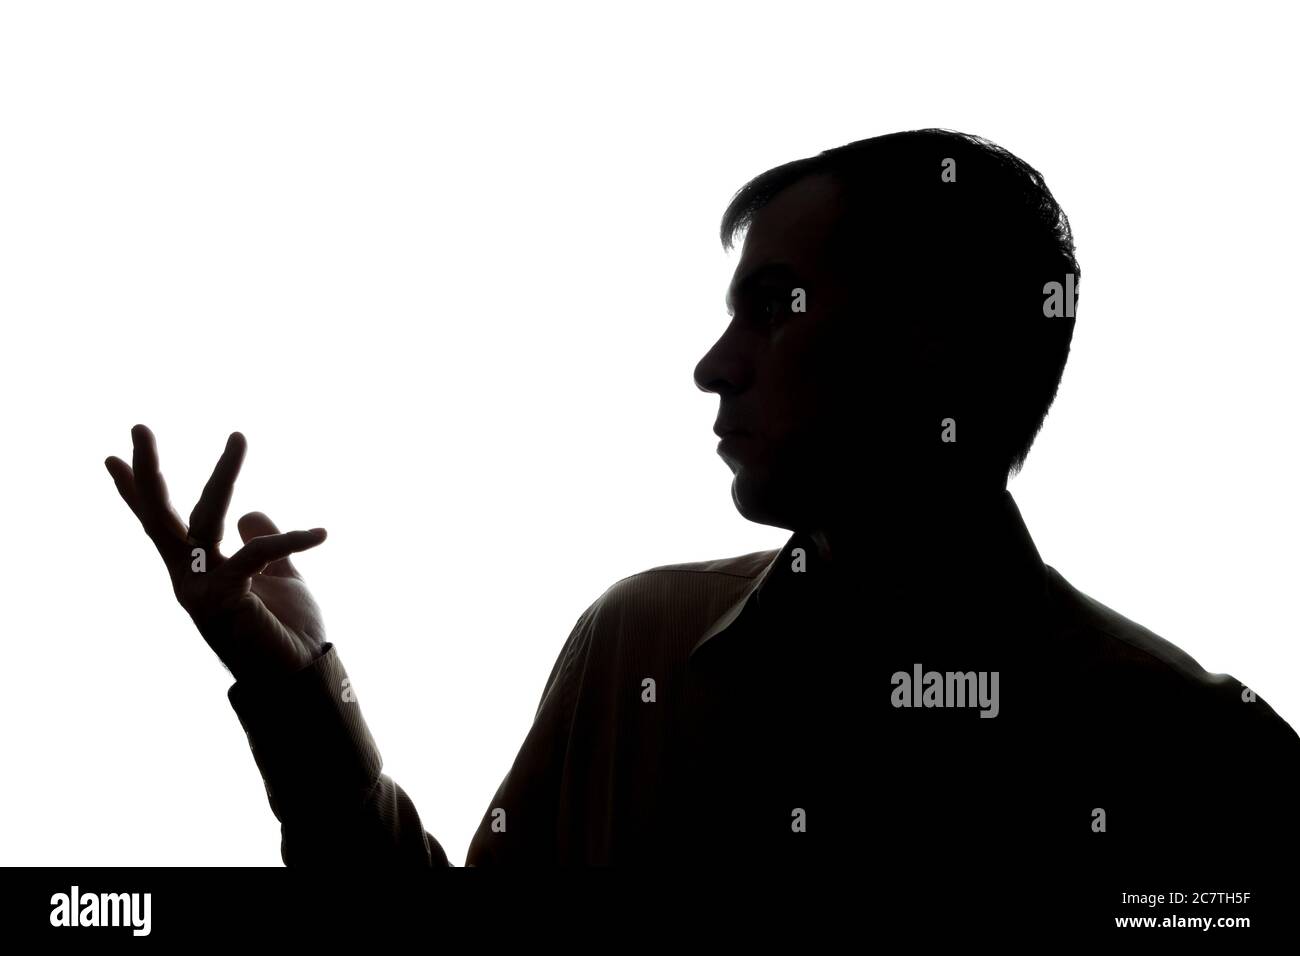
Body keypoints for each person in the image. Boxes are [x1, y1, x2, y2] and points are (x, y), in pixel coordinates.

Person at [105, 130, 1299, 882]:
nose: (711, 365)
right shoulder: (638, 642)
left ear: (930, 349)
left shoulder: (1201, 762)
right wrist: (301, 689)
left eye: (775, 303)